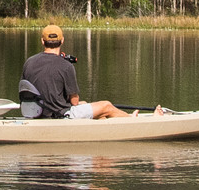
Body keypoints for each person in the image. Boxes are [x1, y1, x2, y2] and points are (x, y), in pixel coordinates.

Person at [18, 24, 161, 120]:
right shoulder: (66, 66)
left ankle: (111, 122)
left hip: (36, 113)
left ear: (42, 41)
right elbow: (74, 102)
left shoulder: (29, 62)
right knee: (106, 105)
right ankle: (131, 120)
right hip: (59, 115)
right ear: (62, 41)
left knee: (87, 105)